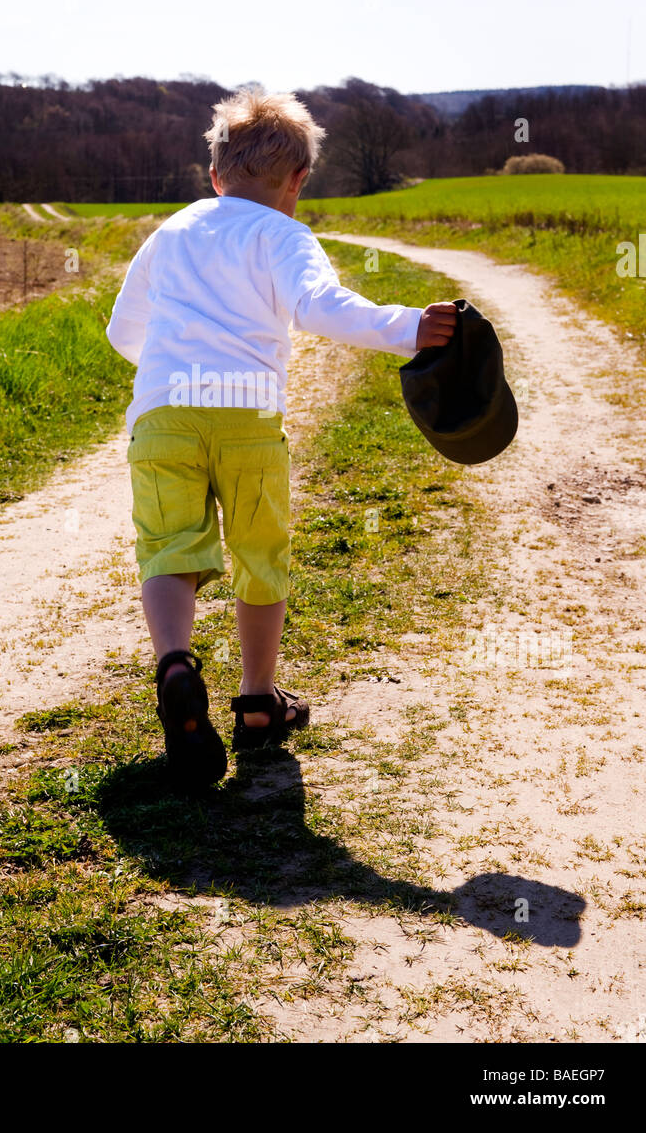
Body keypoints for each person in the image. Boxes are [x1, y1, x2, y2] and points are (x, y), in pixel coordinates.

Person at [106, 87, 456, 788]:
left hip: (163, 415)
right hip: (248, 419)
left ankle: (176, 665)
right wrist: (408, 327)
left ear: (214, 174)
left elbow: (123, 330)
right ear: (298, 182)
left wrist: (177, 372)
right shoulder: (286, 235)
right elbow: (320, 307)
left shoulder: (172, 231)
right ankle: (258, 702)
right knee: (259, 556)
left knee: (169, 551)